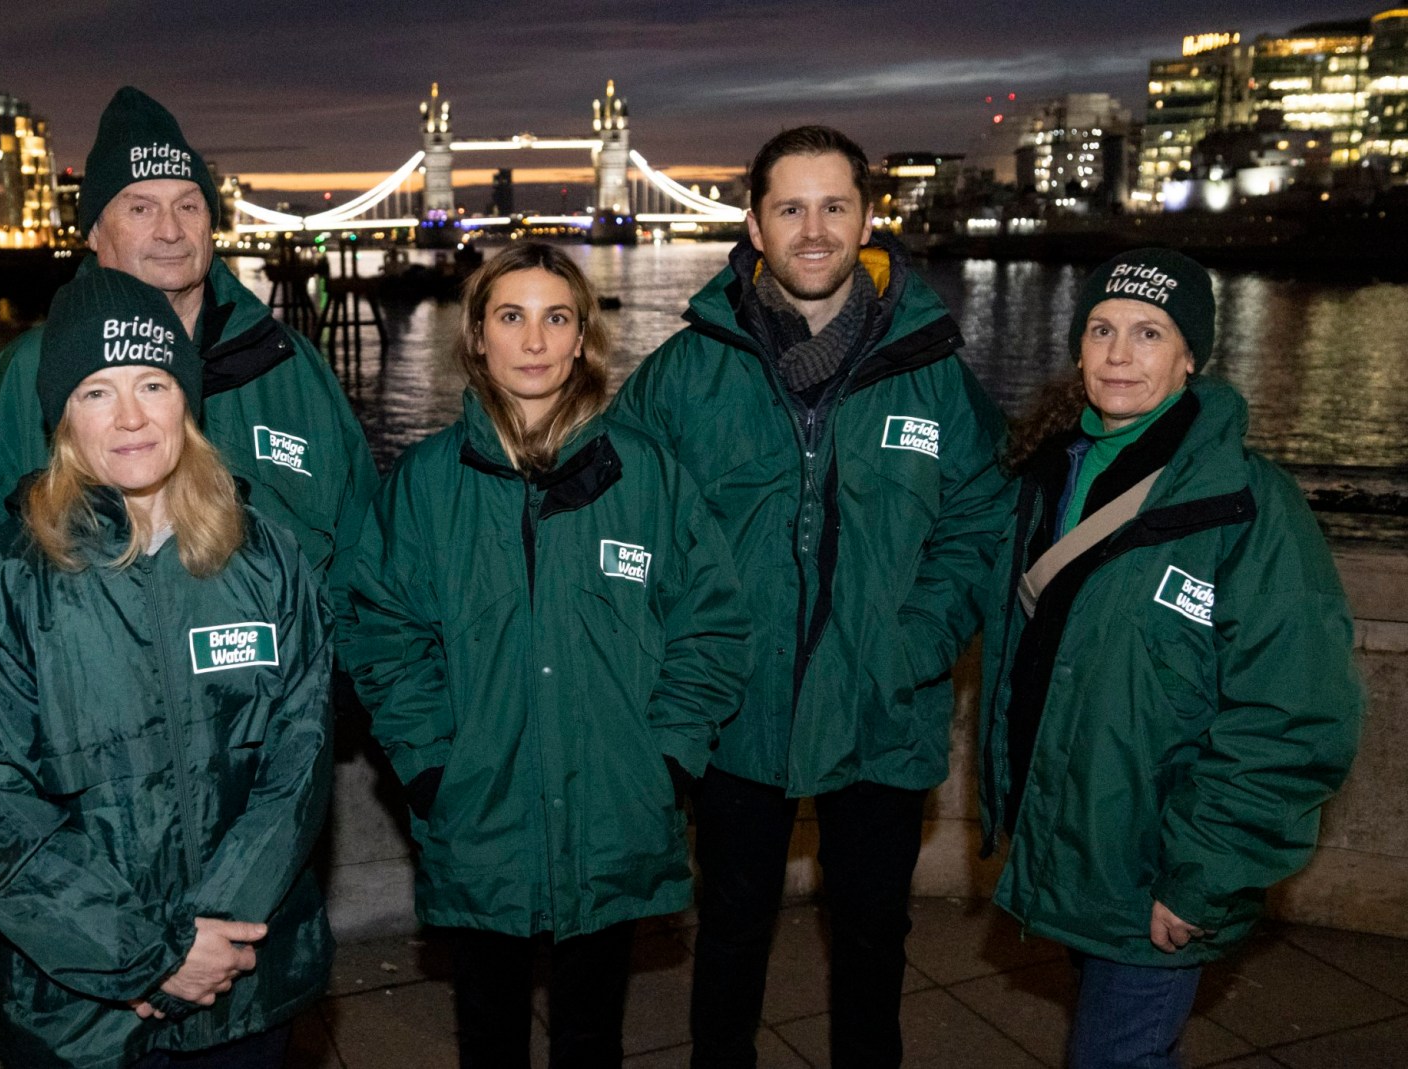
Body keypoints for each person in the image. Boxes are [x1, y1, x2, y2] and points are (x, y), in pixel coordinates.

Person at [609, 125, 1011, 1068]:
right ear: (753, 225)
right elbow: (623, 519)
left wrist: (918, 637)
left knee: (874, 939)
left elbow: (983, 512)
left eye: (835, 205)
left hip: (883, 707)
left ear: (869, 217)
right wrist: (682, 655)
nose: (815, 228)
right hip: (739, 709)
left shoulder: (933, 370)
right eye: (790, 207)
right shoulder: (684, 374)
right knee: (733, 932)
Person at [343, 243, 753, 1068]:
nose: (534, 340)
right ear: (479, 339)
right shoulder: (425, 483)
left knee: (592, 1034)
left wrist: (665, 759)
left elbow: (711, 626)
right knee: (488, 1034)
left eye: (556, 317)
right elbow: (383, 630)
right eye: (511, 316)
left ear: (582, 340)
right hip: (478, 810)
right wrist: (428, 765)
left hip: (611, 809)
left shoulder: (649, 478)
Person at [0, 266, 334, 1069]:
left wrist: (219, 928)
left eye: (153, 380)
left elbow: (304, 747)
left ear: (186, 395)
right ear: (63, 417)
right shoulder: (0, 582)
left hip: (248, 981)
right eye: (97, 392)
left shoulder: (268, 556)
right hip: (84, 1012)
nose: (133, 416)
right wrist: (148, 955)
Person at [980, 248, 1363, 1069]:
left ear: (1191, 356)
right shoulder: (1047, 477)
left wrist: (1204, 875)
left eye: (1149, 333)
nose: (1120, 354)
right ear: (1077, 348)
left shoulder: (1251, 507)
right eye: (1102, 329)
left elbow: (1295, 716)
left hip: (1160, 862)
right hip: (1073, 844)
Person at [0, 85, 377, 611]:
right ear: (93, 232)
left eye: (188, 205)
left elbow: (364, 549)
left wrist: (323, 672)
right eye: (141, 208)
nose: (171, 231)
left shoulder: (285, 361)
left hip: (280, 683)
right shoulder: (26, 374)